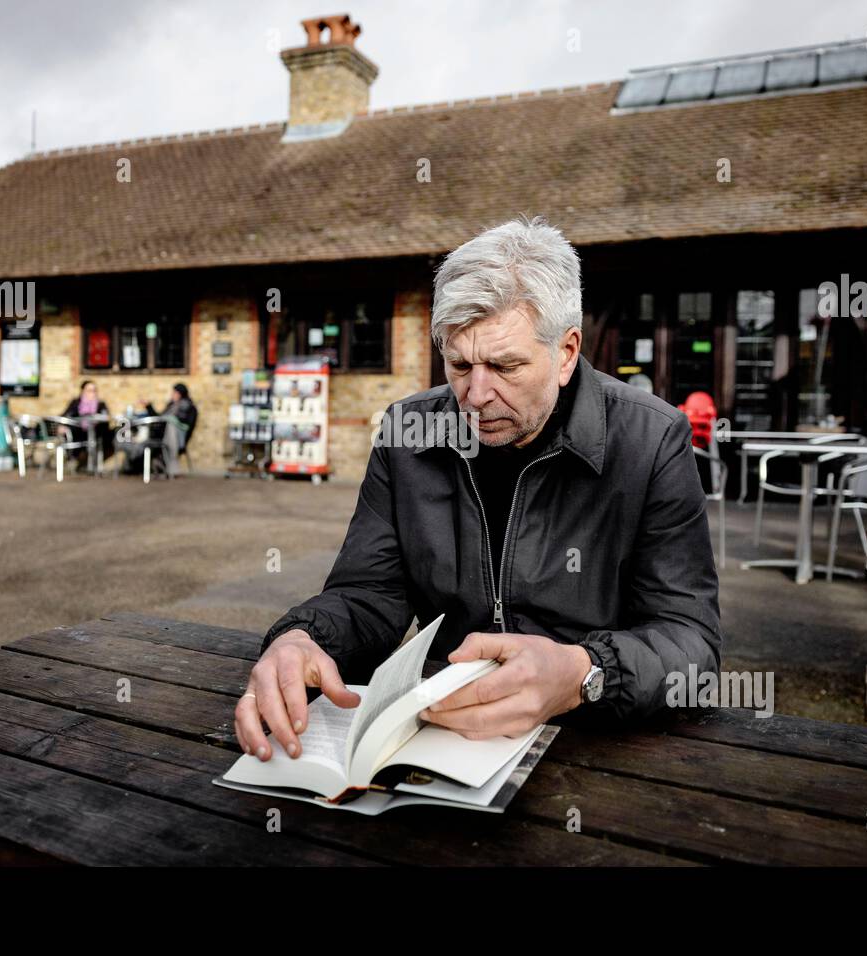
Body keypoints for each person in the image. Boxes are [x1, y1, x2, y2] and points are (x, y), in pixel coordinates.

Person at [236, 215, 721, 762]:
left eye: (505, 364)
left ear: (566, 353)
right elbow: (368, 595)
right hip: (439, 736)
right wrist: (302, 638)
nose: (475, 394)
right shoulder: (406, 432)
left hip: (595, 741)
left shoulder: (650, 440)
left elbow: (692, 644)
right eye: (459, 364)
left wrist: (584, 673)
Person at [119, 383, 198, 476]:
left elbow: (182, 425)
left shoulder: (189, 408)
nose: (172, 395)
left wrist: (170, 421)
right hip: (160, 434)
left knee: (146, 440)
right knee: (136, 434)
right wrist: (148, 406)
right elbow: (160, 418)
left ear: (180, 394)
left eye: (174, 393)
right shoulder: (171, 405)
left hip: (173, 439)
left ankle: (133, 459)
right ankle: (132, 460)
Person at [58, 380, 112, 468]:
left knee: (106, 434)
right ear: (83, 391)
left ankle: (93, 463)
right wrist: (62, 425)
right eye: (89, 390)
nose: (92, 393)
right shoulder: (76, 403)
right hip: (79, 432)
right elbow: (65, 415)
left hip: (96, 432)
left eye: (94, 390)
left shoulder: (100, 404)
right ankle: (74, 458)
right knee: (70, 433)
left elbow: (106, 418)